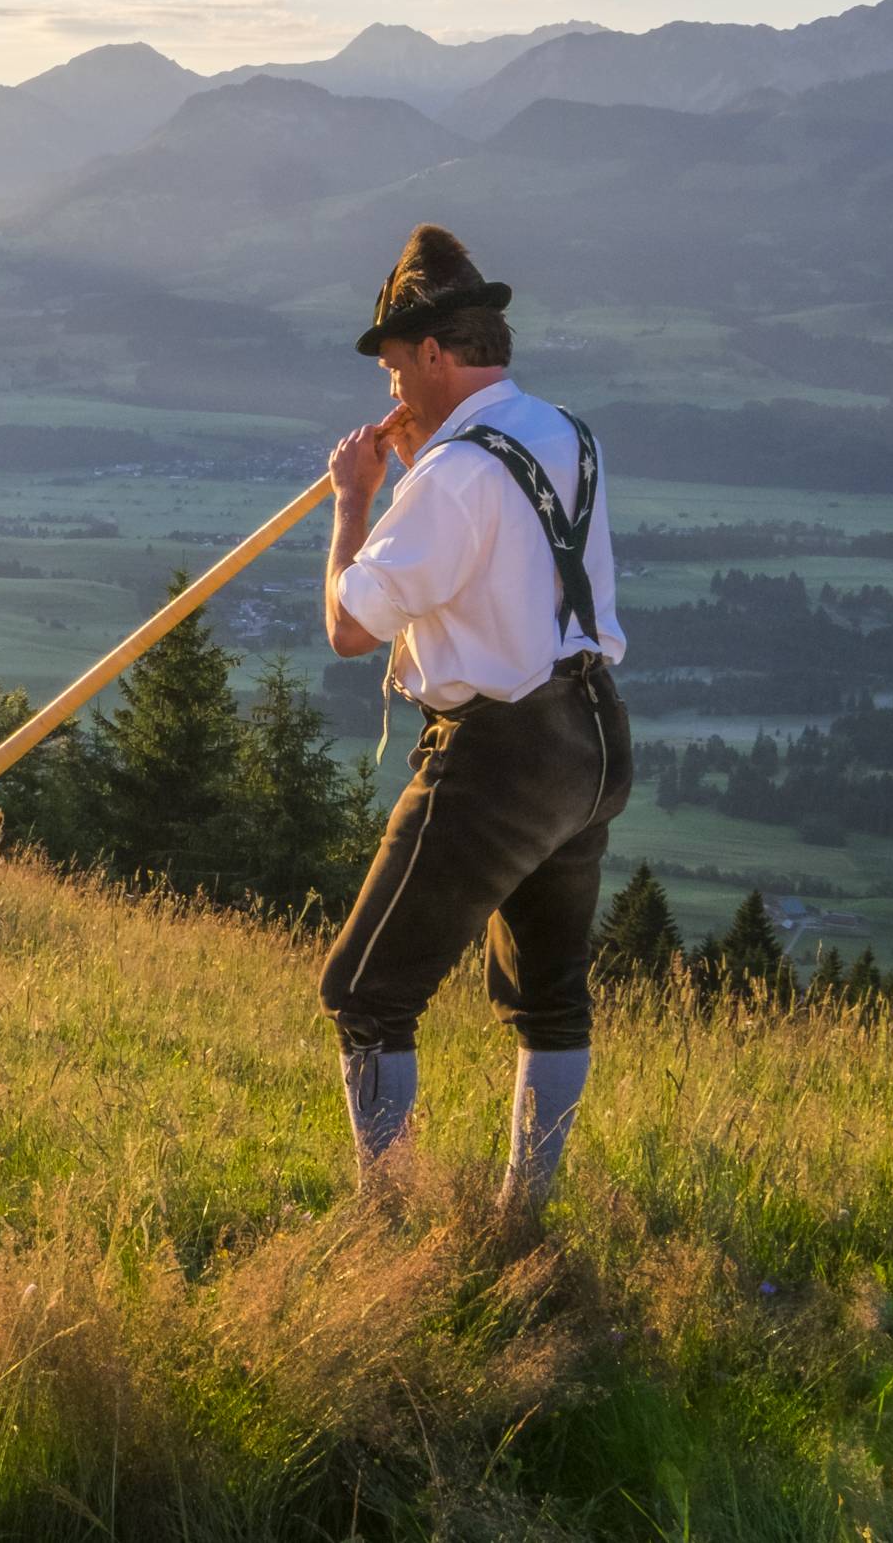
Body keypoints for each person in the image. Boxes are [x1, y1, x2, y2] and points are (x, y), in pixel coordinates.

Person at [318, 224, 630, 1215]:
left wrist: (353, 503)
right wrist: (421, 461)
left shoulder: (449, 475)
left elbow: (350, 628)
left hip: (499, 754)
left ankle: (387, 1224)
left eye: (399, 367)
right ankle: (517, 1224)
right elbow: (496, 553)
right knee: (548, 1000)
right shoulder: (559, 430)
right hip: (591, 737)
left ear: (441, 355)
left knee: (363, 995)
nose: (391, 391)